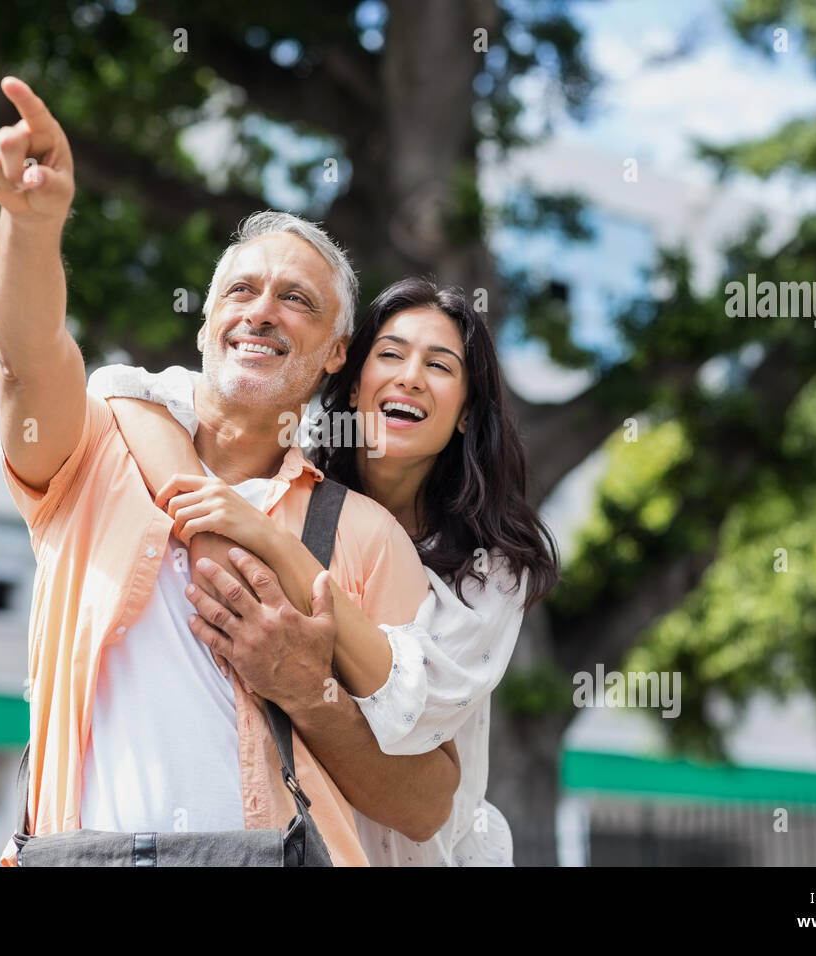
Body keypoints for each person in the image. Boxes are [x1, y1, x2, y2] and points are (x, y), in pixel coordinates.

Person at [0, 76, 462, 866]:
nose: (263, 311)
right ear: (206, 323)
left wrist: (307, 689)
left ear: (336, 352)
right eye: (241, 289)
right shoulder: (96, 451)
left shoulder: (365, 539)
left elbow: (426, 803)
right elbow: (28, 362)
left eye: (298, 300)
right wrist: (31, 227)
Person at [93, 277, 560, 865]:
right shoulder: (292, 477)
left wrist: (271, 542)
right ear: (356, 381)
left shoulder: (489, 569)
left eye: (439, 366)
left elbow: (411, 708)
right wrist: (209, 521)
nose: (409, 376)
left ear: (467, 413)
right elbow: (119, 384)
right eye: (389, 354)